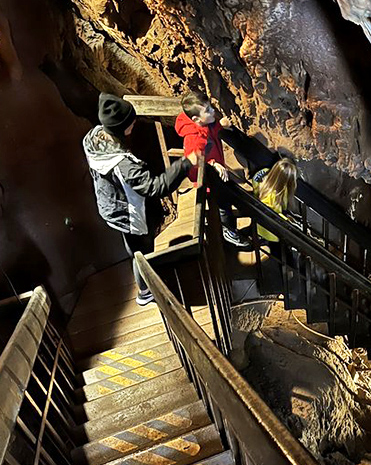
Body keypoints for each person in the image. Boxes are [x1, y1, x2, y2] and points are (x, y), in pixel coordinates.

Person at [83, 93, 191, 306]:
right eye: (131, 122)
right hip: (126, 213)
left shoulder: (93, 137)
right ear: (121, 128)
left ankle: (145, 283)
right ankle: (145, 291)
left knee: (135, 248)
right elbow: (154, 187)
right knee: (142, 251)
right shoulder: (124, 165)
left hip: (110, 205)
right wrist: (185, 164)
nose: (135, 123)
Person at [175, 90, 250, 248]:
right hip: (210, 182)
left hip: (217, 175)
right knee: (224, 206)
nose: (213, 111)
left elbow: (210, 131)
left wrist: (220, 126)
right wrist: (213, 164)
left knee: (228, 198)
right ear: (196, 119)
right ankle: (228, 232)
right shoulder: (193, 139)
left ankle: (230, 227)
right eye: (208, 110)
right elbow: (193, 170)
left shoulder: (203, 124)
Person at [251, 157, 298, 243]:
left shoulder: (263, 174)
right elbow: (275, 210)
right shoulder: (278, 192)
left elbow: (255, 184)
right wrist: (287, 220)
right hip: (271, 231)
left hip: (259, 224)